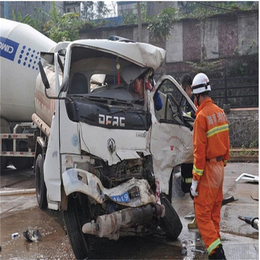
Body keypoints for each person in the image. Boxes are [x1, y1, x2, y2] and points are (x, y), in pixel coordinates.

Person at [190, 73, 230, 260]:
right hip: (220, 168)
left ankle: (216, 254)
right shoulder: (220, 113)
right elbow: (227, 144)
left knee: (202, 215)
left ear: (197, 96)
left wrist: (195, 180)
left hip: (207, 170)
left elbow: (199, 151)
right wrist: (222, 164)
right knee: (214, 213)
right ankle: (216, 245)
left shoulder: (201, 118)